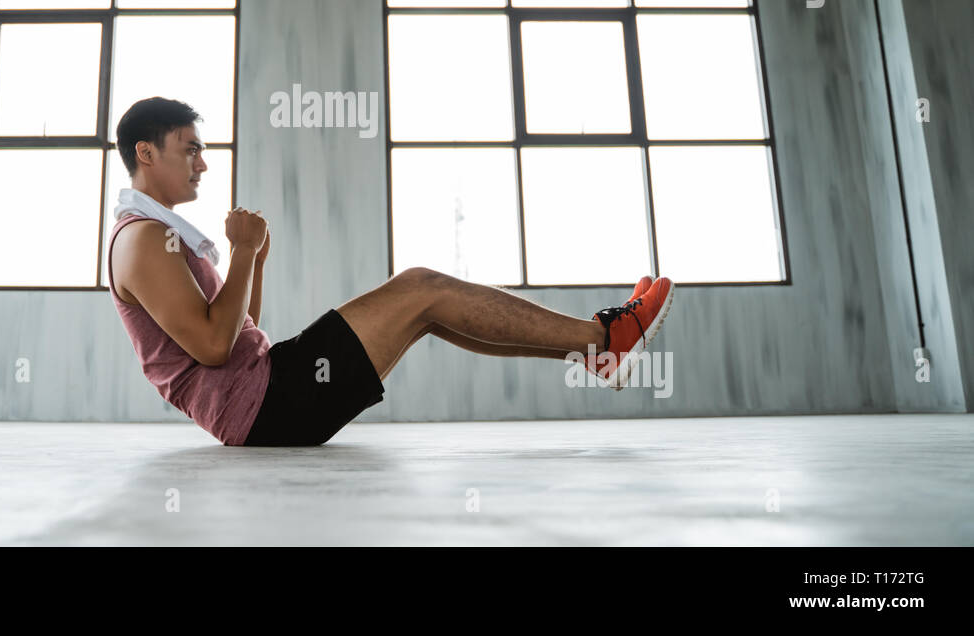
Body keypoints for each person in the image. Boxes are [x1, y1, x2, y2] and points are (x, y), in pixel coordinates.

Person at [106, 96, 674, 448]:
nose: (202, 161)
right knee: (422, 286)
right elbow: (210, 346)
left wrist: (255, 261)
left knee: (427, 308)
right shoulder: (145, 240)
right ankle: (606, 337)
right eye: (190, 148)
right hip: (266, 408)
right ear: (146, 154)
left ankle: (596, 353)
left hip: (263, 394)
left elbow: (238, 332)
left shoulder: (160, 236)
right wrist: (243, 255)